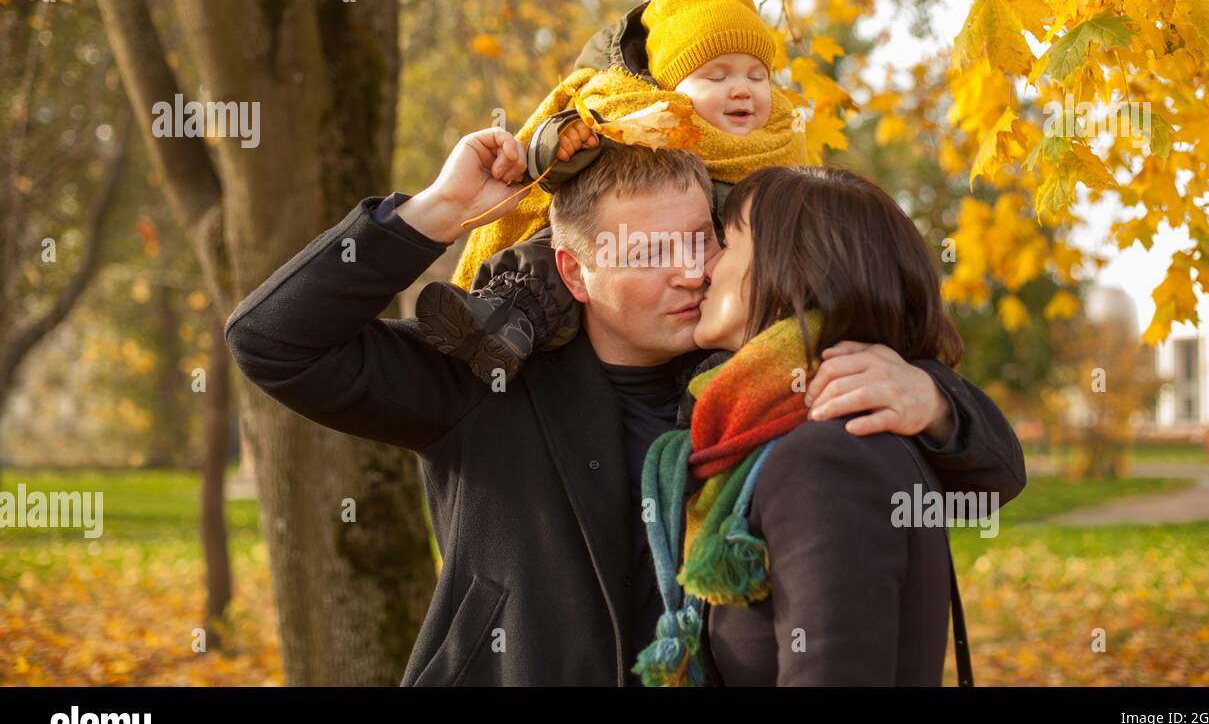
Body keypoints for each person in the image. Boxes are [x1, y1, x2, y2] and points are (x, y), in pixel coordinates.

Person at [224, 129, 1025, 686]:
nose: (690, 272)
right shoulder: (483, 374)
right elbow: (273, 342)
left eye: (702, 240)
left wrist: (935, 399)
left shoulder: (750, 388)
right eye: (651, 253)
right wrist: (434, 211)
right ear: (574, 273)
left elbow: (983, 476)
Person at [635, 165, 980, 686]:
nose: (705, 269)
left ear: (788, 277)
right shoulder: (806, 431)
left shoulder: (827, 457)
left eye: (727, 244)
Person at [415, 0, 808, 384]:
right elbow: (569, 151)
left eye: (756, 75)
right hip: (616, 256)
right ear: (671, 88)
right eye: (717, 76)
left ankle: (719, 376)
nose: (742, 89)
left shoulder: (779, 147)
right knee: (554, 252)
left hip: (715, 284)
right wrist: (565, 142)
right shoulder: (637, 113)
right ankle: (506, 318)